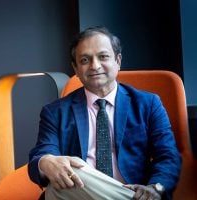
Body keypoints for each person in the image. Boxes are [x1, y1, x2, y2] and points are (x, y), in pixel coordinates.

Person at [28, 26, 181, 200]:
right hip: (79, 194)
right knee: (69, 170)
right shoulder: (55, 112)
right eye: (85, 60)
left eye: (103, 57)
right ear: (75, 68)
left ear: (118, 61)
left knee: (59, 186)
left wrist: (156, 187)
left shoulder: (147, 104)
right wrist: (46, 162)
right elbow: (43, 151)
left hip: (135, 195)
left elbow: (168, 156)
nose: (95, 66)